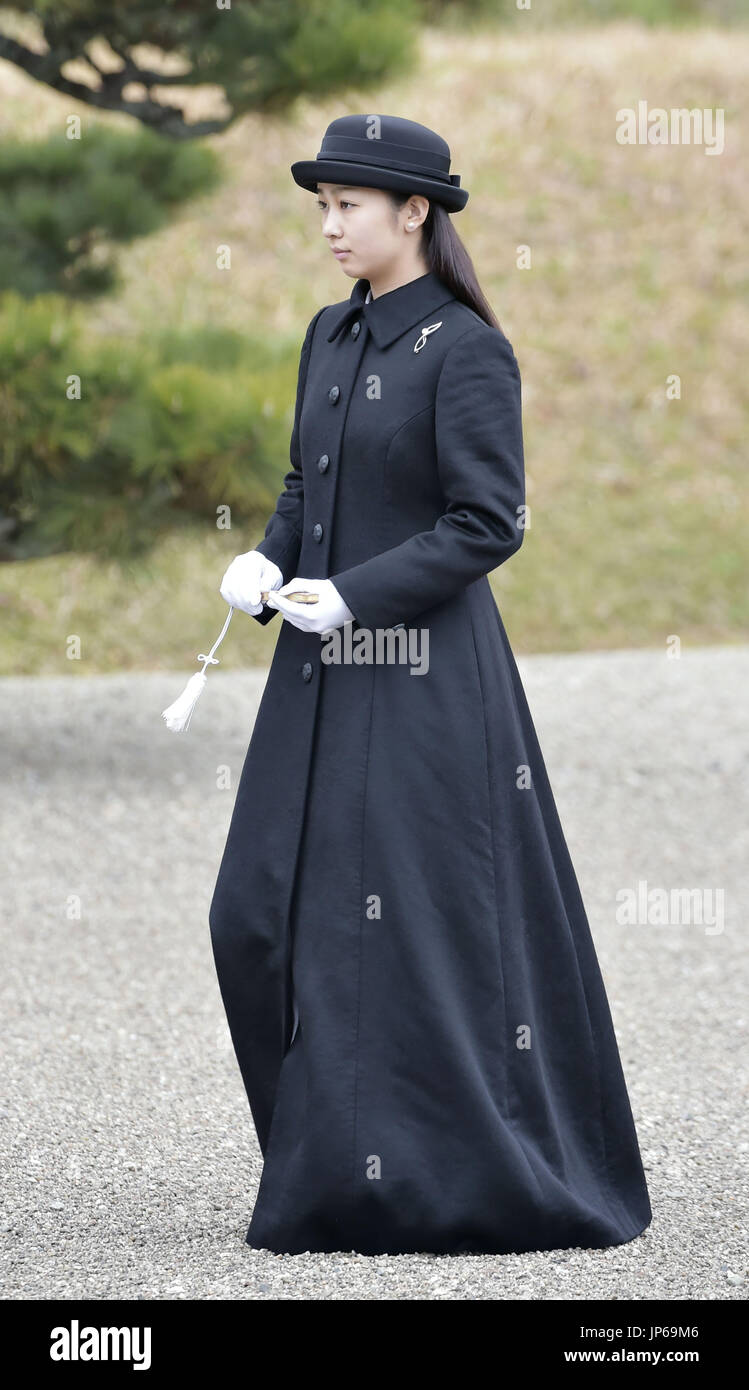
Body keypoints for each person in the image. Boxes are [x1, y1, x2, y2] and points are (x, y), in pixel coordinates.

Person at [209, 114, 652, 1257]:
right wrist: (270, 557)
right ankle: (322, 1161)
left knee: (398, 931)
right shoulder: (328, 333)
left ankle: (408, 1183)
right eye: (320, 204)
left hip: (419, 678)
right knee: (252, 914)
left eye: (348, 204)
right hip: (312, 675)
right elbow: (309, 482)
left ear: (417, 212)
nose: (328, 224)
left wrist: (355, 595)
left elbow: (484, 520)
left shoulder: (465, 349)